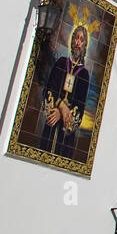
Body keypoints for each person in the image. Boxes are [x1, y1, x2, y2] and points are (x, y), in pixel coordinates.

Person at [40, 24, 90, 157]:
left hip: (65, 134)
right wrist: (60, 106)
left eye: (81, 40)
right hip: (52, 120)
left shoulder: (84, 74)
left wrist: (64, 114)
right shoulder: (61, 63)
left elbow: (80, 105)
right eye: (76, 38)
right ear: (72, 40)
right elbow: (50, 88)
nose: (78, 42)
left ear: (85, 45)